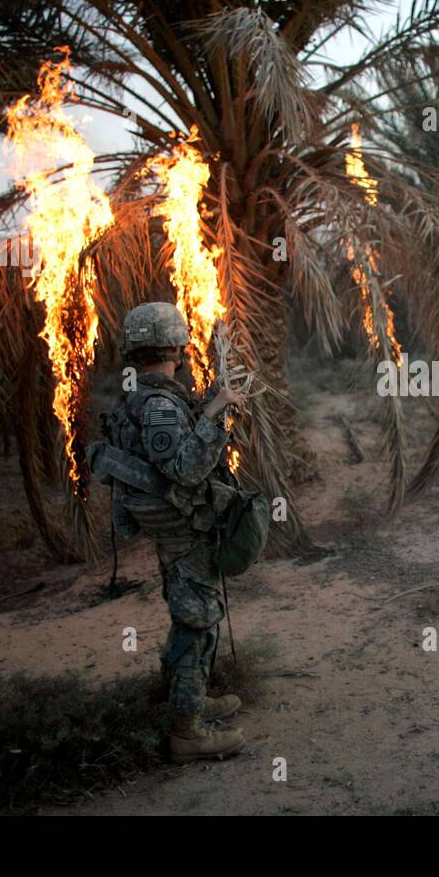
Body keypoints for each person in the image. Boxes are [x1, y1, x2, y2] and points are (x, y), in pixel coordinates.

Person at [87, 302, 248, 762]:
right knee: (196, 622)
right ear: (176, 345)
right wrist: (216, 412)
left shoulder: (143, 395)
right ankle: (187, 733)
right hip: (183, 530)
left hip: (175, 528)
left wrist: (206, 405)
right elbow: (184, 469)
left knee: (192, 616)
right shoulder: (158, 404)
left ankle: (187, 699)